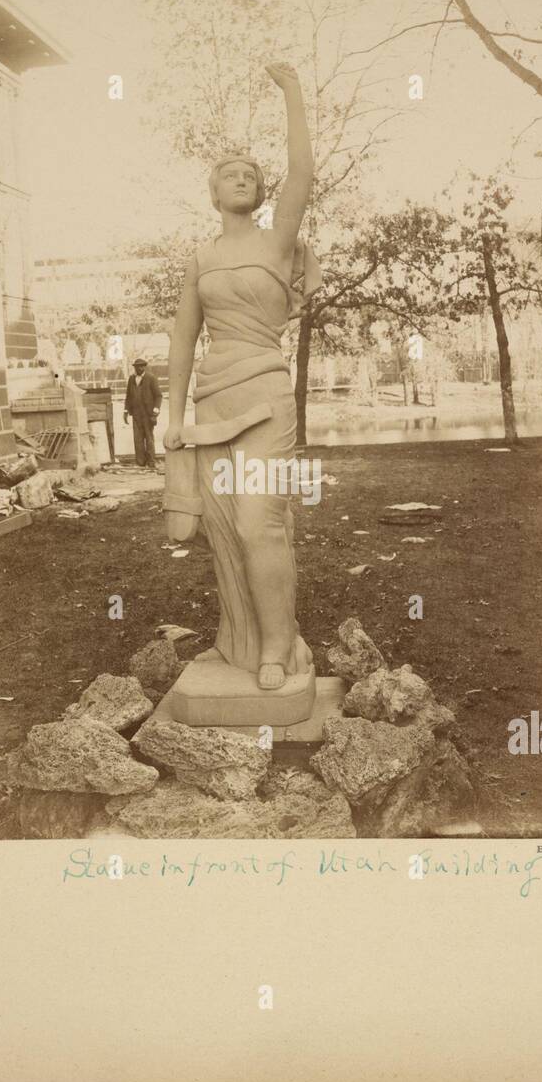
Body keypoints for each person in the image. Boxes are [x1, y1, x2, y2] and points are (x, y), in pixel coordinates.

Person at [164, 61, 320, 691]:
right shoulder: (201, 257)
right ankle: (243, 641)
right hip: (213, 399)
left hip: (265, 394)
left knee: (262, 521)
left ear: (260, 192)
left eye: (251, 175)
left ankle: (277, 648)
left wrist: (292, 92)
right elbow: (181, 340)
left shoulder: (279, 240)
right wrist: (173, 418)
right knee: (225, 530)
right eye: (230, 174)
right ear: (213, 191)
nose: (242, 179)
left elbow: (304, 174)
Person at [124, 357, 162, 470]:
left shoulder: (151, 378)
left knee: (149, 438)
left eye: (141, 366)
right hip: (136, 414)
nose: (139, 368)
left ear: (144, 367)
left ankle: (151, 462)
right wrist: (126, 411)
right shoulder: (131, 379)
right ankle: (140, 462)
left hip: (148, 414)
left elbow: (158, 396)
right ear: (134, 368)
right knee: (138, 438)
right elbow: (128, 397)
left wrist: (155, 414)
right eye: (137, 366)